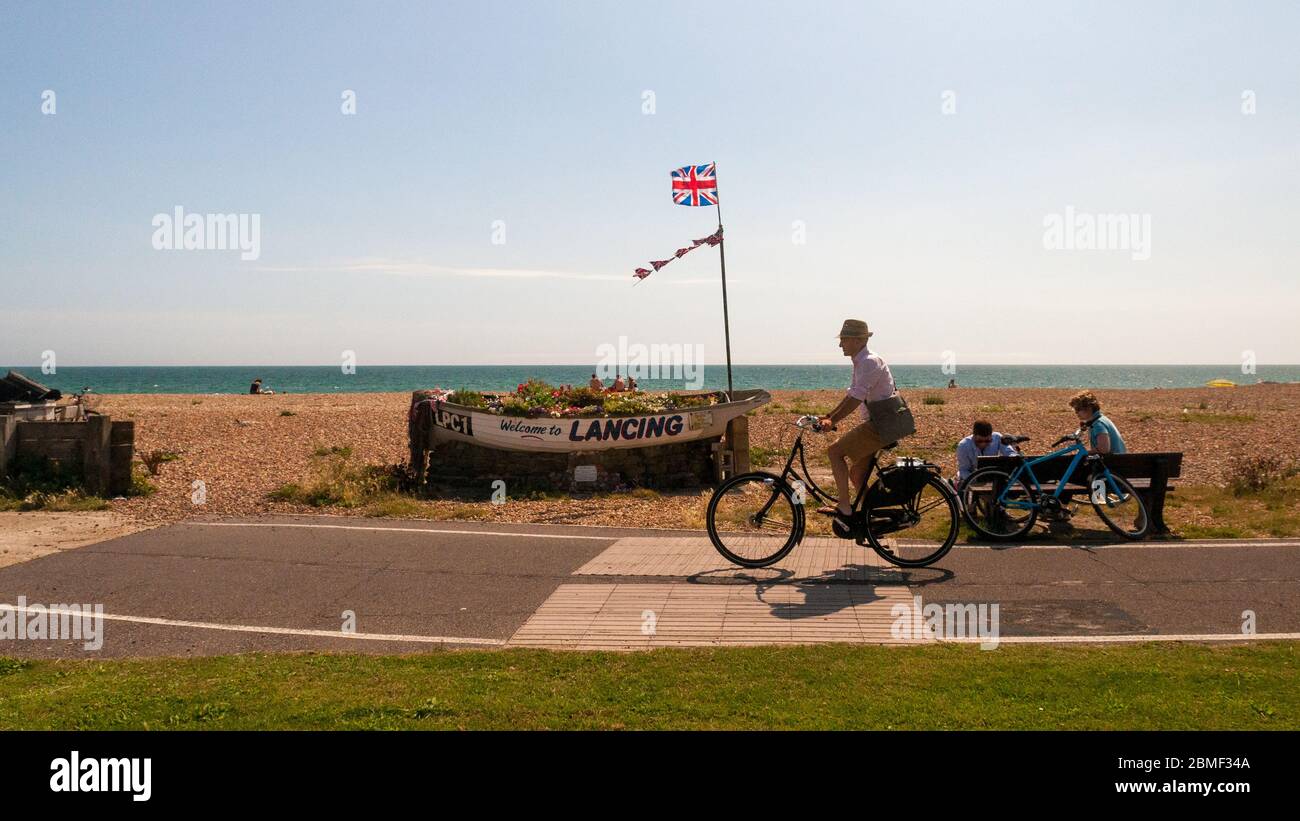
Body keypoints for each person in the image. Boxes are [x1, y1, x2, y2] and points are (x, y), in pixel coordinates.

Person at [817, 319, 898, 522]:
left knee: (834, 452)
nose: (840, 344)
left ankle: (844, 506)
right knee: (857, 475)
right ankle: (873, 518)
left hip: (881, 424)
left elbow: (857, 398)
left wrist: (833, 421)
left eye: (843, 339)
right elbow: (852, 395)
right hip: (881, 422)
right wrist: (829, 416)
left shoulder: (869, 362)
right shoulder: (862, 362)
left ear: (857, 340)